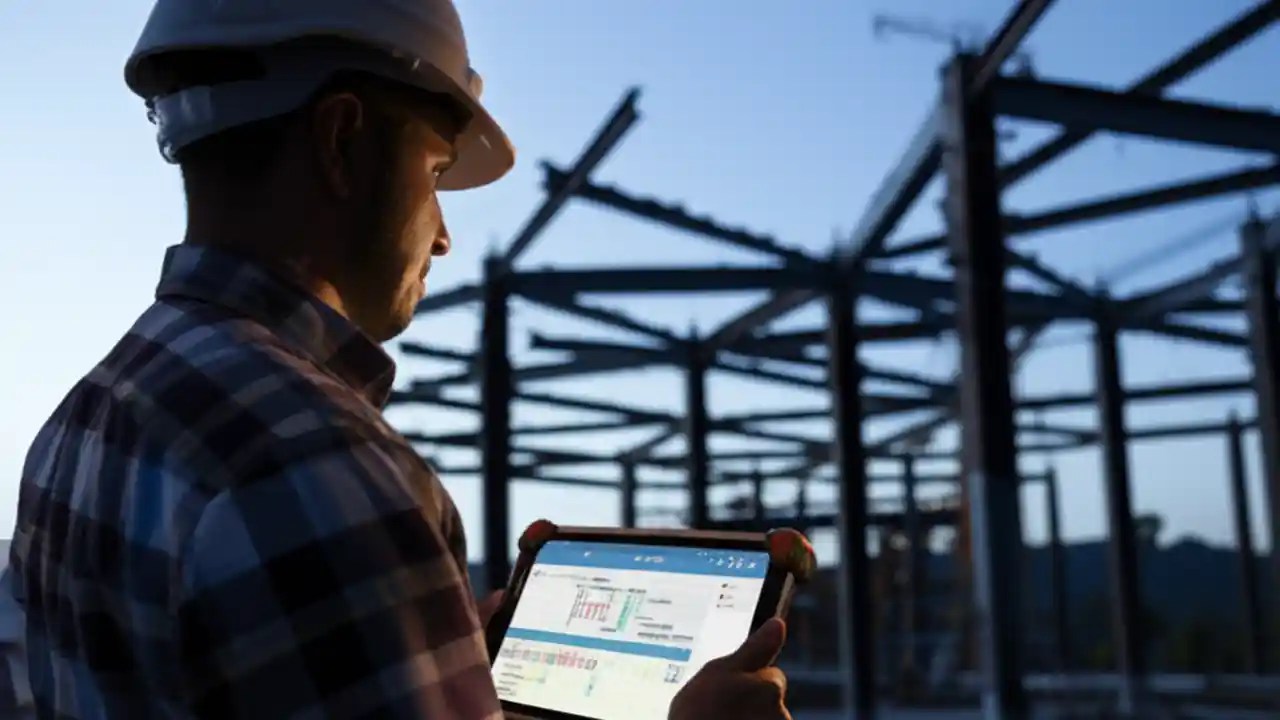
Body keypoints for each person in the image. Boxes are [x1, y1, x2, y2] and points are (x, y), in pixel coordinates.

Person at [8, 1, 793, 718]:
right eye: (437, 172)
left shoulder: (87, 417)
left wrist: (423, 664)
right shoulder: (320, 464)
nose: (445, 234)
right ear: (341, 141)